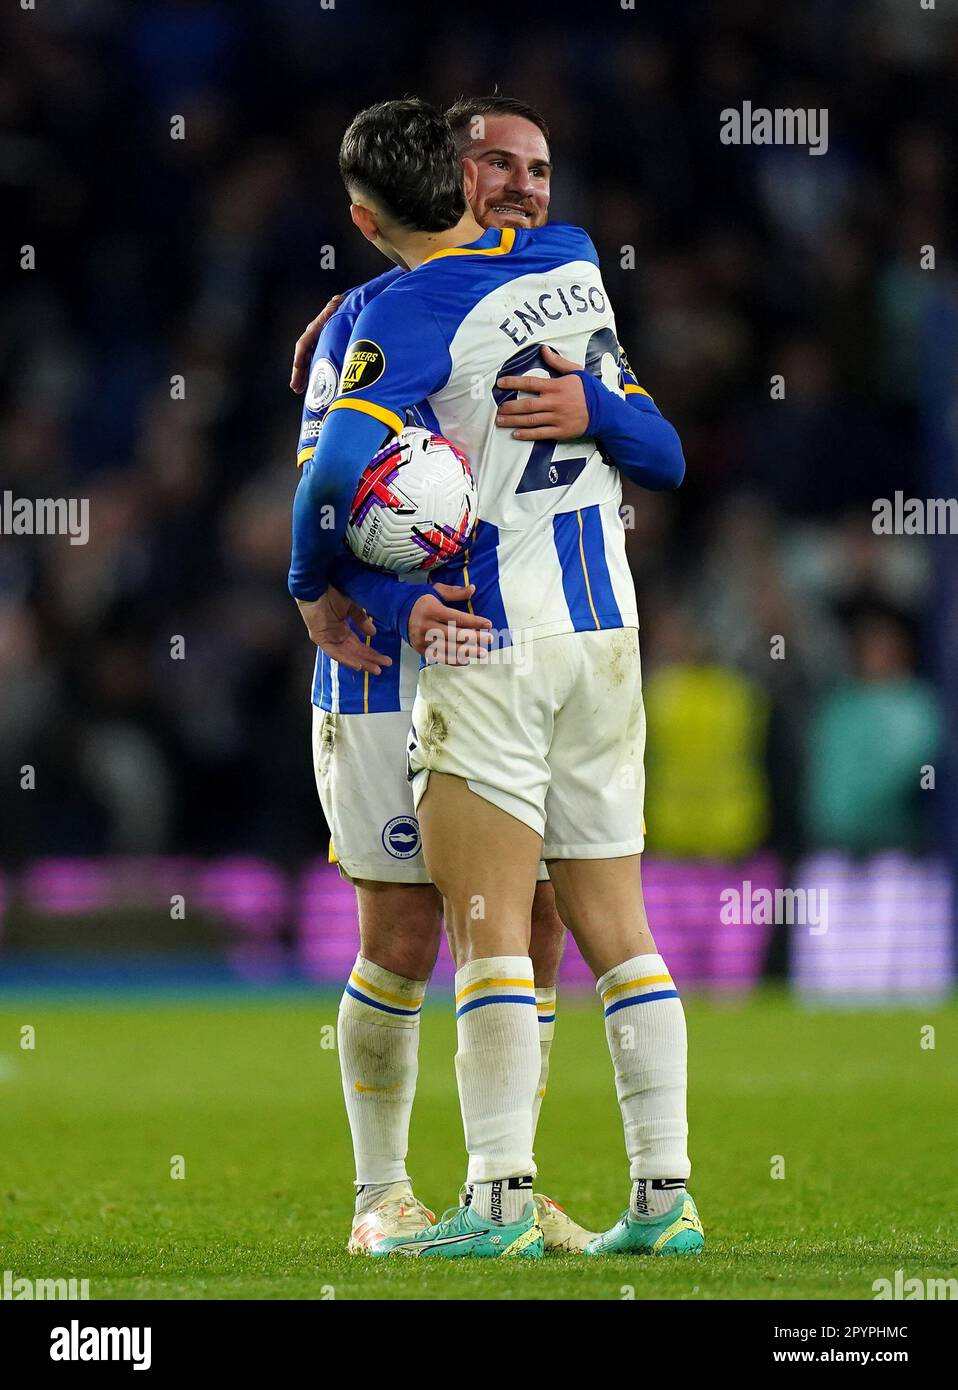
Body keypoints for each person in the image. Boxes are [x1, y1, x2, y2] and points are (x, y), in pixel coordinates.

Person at [289, 98, 702, 1260]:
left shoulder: (552, 270)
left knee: (528, 922)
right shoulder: (374, 320)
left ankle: (508, 1187)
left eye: (540, 169)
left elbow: (660, 448)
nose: (523, 186)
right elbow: (330, 480)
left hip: (506, 652)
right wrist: (349, 598)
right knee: (405, 933)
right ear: (448, 178)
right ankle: (386, 1196)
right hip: (394, 662)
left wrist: (598, 406)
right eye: (496, 165)